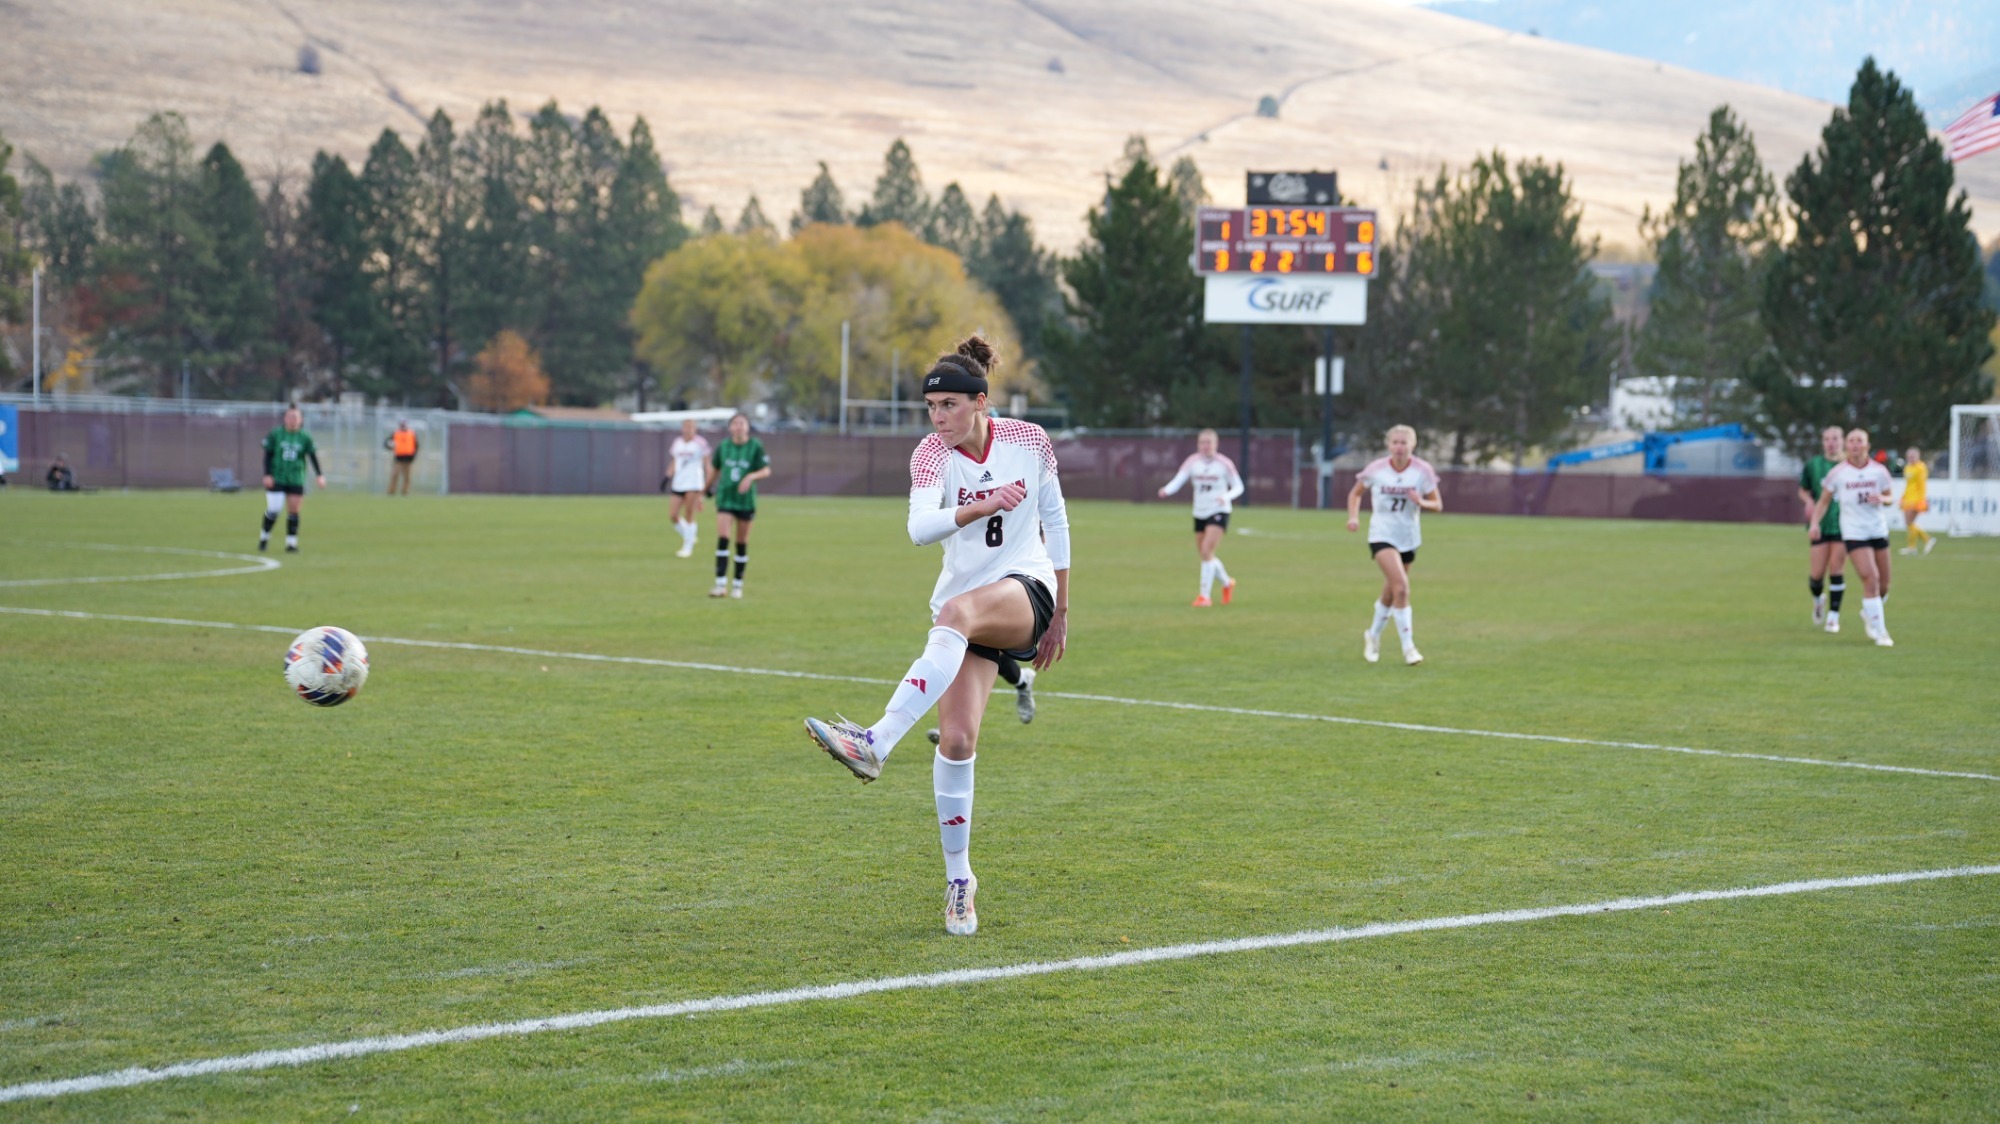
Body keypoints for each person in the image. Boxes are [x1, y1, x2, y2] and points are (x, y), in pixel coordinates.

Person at [802, 335, 1070, 937]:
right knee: (955, 740)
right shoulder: (930, 453)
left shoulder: (1030, 441)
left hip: (1026, 587)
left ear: (981, 402)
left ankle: (875, 742)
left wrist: (1064, 609)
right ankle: (960, 881)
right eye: (931, 408)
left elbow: (1055, 520)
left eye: (949, 405)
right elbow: (920, 529)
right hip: (967, 609)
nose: (938, 418)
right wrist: (977, 507)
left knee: (955, 613)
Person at [1346, 425, 1441, 666]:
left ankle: (1373, 635)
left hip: (1408, 537)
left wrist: (1421, 501)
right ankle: (1408, 648)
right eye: (1395, 442)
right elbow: (1355, 493)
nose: (1399, 447)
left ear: (1413, 445)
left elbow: (1437, 504)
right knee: (1402, 589)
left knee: (1391, 591)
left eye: (1404, 443)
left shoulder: (1422, 471)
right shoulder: (1377, 469)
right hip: (1381, 535)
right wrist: (1354, 517)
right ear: (1389, 445)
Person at [1808, 427, 1896, 647]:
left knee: (1884, 586)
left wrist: (1883, 500)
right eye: (1851, 441)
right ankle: (1881, 632)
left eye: (1860, 441)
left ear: (1867, 446)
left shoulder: (1879, 471)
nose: (1855, 445)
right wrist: (1814, 522)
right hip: (1854, 532)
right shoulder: (1838, 473)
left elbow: (1890, 496)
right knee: (1871, 578)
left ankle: (1870, 612)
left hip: (1877, 529)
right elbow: (1824, 500)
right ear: (1846, 446)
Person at [1158, 428, 1245, 607]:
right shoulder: (1192, 462)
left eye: (1209, 442)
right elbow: (1179, 479)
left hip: (1219, 510)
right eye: (1202, 442)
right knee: (1206, 555)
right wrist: (1166, 490)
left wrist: (1226, 497)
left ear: (1216, 444)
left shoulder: (1224, 463)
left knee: (1206, 550)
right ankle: (1227, 583)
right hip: (1199, 511)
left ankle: (1204, 597)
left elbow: (1239, 487)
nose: (1205, 446)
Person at [705, 413, 771, 598]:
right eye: (735, 423)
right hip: (725, 498)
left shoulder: (755, 446)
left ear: (748, 427)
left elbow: (766, 470)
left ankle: (738, 585)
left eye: (742, 423)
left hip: (746, 500)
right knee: (723, 538)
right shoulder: (724, 447)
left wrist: (750, 476)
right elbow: (715, 470)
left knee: (741, 543)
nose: (739, 426)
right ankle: (720, 585)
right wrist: (704, 491)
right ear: (730, 427)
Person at [1799, 425, 1848, 631]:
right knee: (1817, 574)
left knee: (1836, 570)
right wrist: (1809, 501)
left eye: (1835, 438)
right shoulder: (1814, 465)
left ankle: (1833, 617)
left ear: (1842, 440)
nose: (1831, 442)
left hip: (1844, 525)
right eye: (1827, 439)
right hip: (1819, 525)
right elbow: (1803, 490)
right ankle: (1819, 599)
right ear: (1822, 442)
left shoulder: (1849, 466)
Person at [259, 407, 325, 553]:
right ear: (285, 418)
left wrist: (319, 475)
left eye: (296, 417)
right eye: (290, 417)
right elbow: (268, 454)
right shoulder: (276, 434)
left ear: (301, 420)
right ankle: (264, 538)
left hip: (296, 477)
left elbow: (312, 456)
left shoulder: (305, 437)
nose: (292, 420)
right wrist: (267, 474)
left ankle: (291, 543)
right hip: (278, 476)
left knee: (294, 510)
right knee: (274, 509)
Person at [663, 419, 711, 559]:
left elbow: (707, 464)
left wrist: (709, 484)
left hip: (694, 483)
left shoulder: (700, 443)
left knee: (689, 513)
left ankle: (687, 547)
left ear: (695, 429)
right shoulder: (677, 443)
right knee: (673, 515)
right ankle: (689, 535)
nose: (688, 429)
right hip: (679, 482)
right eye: (686, 427)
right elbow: (674, 462)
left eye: (691, 427)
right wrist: (667, 477)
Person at [1898, 446, 1934, 556]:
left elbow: (1922, 485)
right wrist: (1903, 498)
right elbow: (1908, 485)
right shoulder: (1907, 468)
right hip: (1908, 498)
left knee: (1910, 522)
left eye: (1913, 456)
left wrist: (1921, 500)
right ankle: (1915, 545)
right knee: (1908, 523)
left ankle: (1925, 540)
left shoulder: (1921, 468)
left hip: (1916, 499)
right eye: (1909, 456)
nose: (1910, 458)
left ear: (1918, 456)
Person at [383, 420, 419, 495]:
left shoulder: (411, 433)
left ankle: (405, 491)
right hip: (398, 459)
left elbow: (416, 446)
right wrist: (390, 446)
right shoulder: (396, 434)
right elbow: (387, 443)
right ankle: (391, 491)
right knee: (395, 475)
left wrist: (414, 456)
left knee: (407, 477)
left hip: (409, 459)